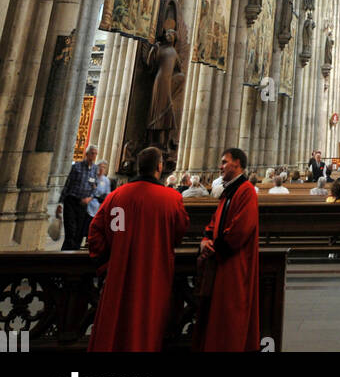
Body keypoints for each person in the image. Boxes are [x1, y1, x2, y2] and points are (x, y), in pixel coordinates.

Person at [87, 144, 189, 351]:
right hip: (153, 275)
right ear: (159, 167)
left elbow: (95, 232)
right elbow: (178, 234)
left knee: (113, 326)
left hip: (118, 273)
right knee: (145, 329)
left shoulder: (116, 196)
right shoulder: (171, 199)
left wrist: (106, 262)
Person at [194, 147, 260, 352]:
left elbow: (241, 229)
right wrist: (205, 241)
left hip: (233, 263)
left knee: (232, 315)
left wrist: (215, 248)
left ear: (237, 163)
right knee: (218, 315)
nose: (221, 166)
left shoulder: (245, 190)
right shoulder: (229, 191)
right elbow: (214, 221)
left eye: (225, 162)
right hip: (222, 260)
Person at [57, 144, 99, 250]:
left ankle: (73, 255)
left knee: (79, 232)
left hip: (83, 204)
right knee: (70, 230)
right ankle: (65, 255)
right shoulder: (77, 167)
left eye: (95, 154)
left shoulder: (95, 169)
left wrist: (89, 198)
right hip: (71, 201)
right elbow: (68, 185)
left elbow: (95, 188)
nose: (94, 156)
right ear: (87, 154)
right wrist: (60, 203)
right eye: (92, 153)